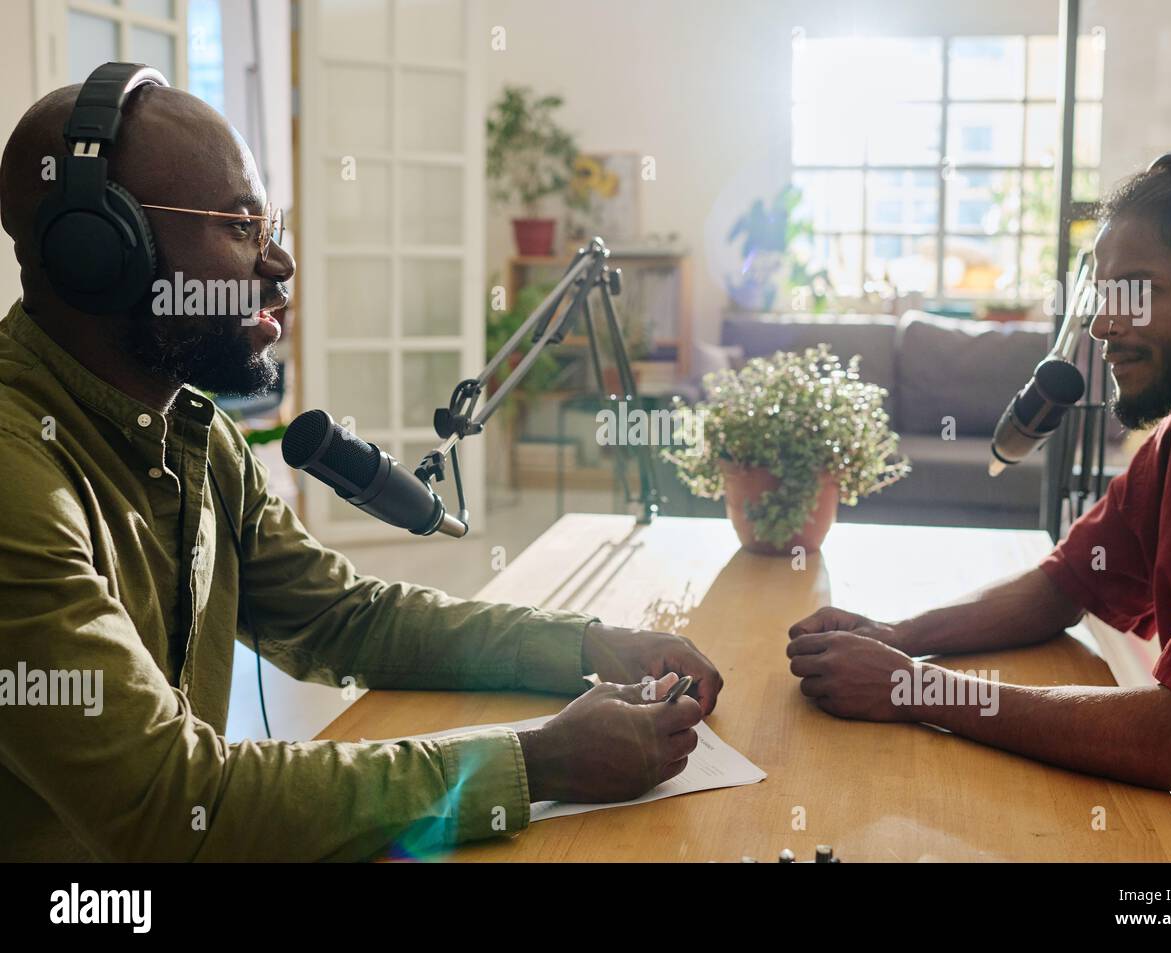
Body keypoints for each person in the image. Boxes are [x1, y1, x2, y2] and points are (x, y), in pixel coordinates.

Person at [0, 66, 722, 861]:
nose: (279, 265)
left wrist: (586, 644)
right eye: (241, 227)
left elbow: (345, 615)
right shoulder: (18, 479)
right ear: (101, 249)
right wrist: (536, 760)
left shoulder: (191, 432)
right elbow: (173, 806)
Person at [786, 153, 1171, 863]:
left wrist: (913, 687)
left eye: (1138, 291)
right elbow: (1067, 582)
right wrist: (899, 632)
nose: (1102, 326)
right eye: (1104, 292)